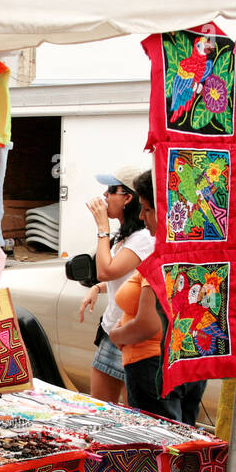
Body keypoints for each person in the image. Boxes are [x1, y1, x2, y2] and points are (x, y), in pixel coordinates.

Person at [108, 171, 180, 420]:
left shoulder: (163, 256)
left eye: (148, 209)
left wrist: (116, 335)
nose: (142, 216)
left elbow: (149, 324)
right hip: (160, 364)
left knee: (157, 446)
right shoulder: (176, 251)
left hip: (151, 366)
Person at [79, 166, 153, 403]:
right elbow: (125, 276)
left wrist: (102, 228)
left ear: (128, 198)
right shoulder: (127, 234)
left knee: (132, 415)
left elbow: (105, 271)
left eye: (111, 190)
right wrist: (96, 289)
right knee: (101, 410)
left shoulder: (144, 238)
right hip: (111, 328)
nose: (105, 196)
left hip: (129, 335)